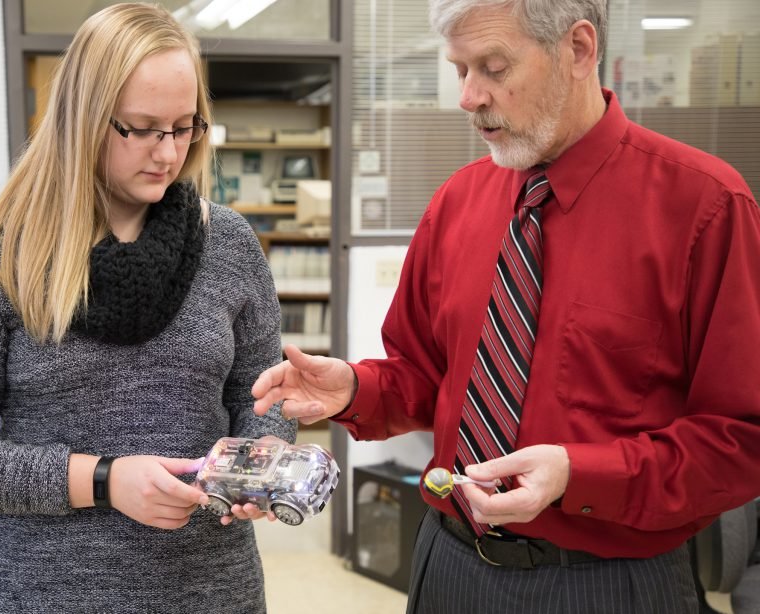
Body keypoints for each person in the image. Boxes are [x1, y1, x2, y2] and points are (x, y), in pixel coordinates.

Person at [252, 0, 760, 612]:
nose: (468, 97)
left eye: (493, 68)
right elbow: (425, 377)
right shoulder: (458, 203)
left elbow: (740, 438)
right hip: (450, 568)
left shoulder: (704, 208)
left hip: (611, 583)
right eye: (459, 69)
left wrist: (580, 474)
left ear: (577, 50)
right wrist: (357, 388)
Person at [0, 4, 295, 612]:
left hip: (211, 591)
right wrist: (105, 480)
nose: (168, 152)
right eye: (140, 128)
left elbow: (262, 397)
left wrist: (258, 460)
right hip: (35, 595)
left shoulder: (230, 246)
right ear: (82, 118)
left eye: (184, 126)